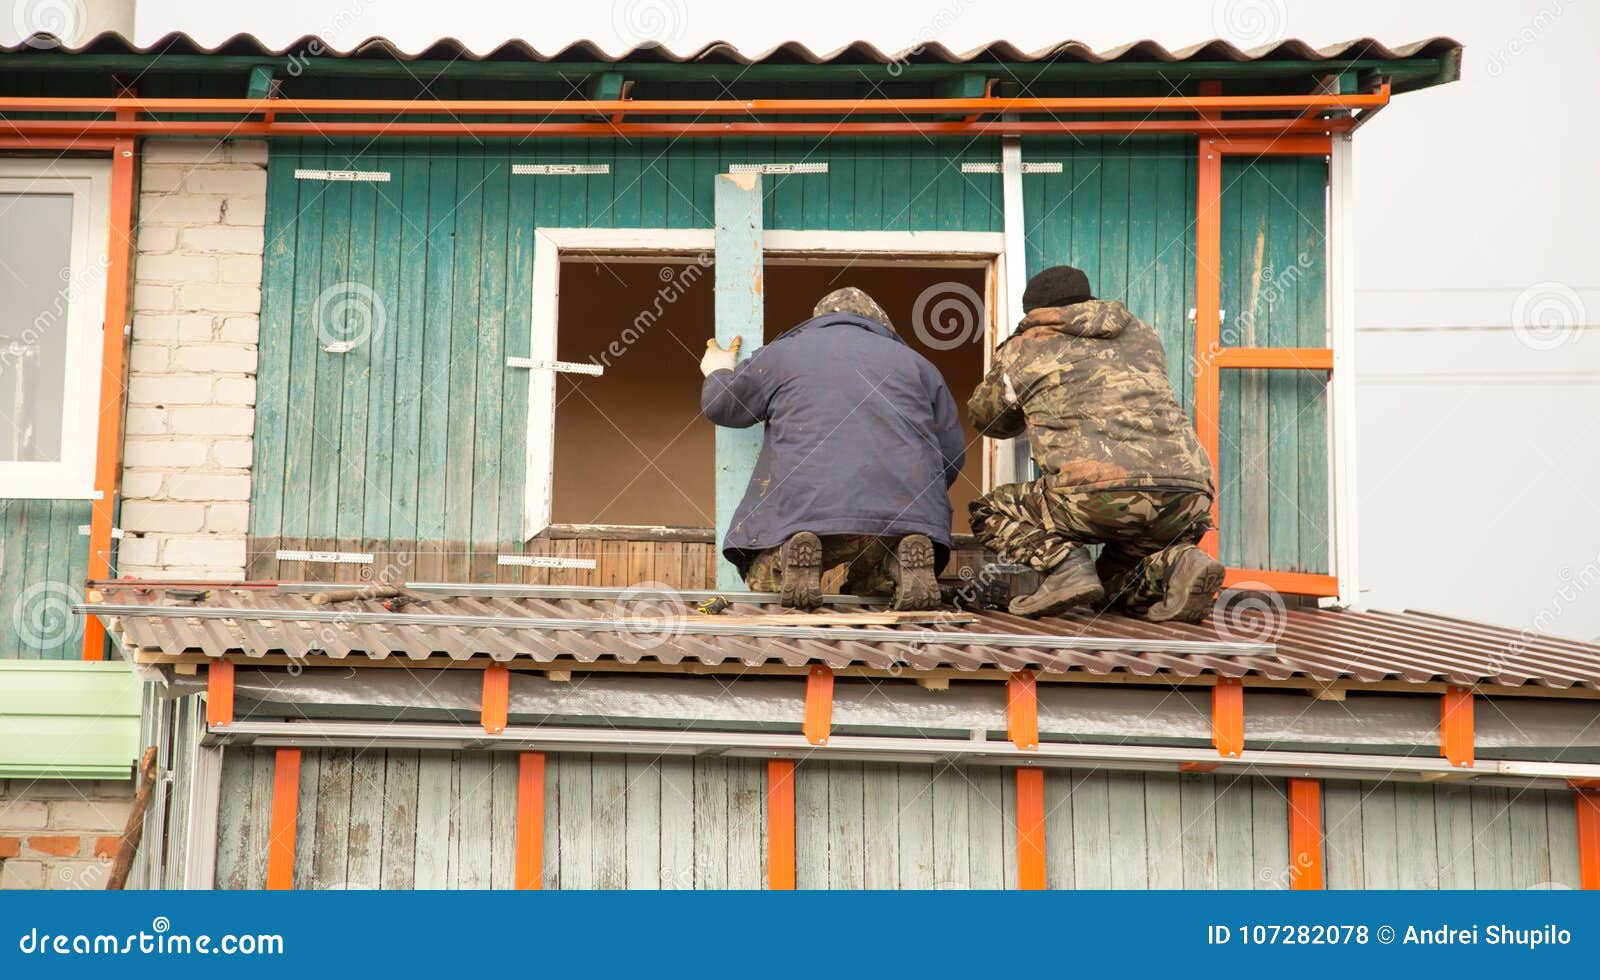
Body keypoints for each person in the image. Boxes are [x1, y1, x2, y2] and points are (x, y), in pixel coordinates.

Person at [967, 265, 1222, 621]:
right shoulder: (1142, 335)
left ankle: (1066, 567)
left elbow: (986, 419)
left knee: (989, 511)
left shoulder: (1024, 348)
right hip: (1187, 498)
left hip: (1095, 495)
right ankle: (1178, 564)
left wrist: (1025, 398)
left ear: (1034, 313)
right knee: (1111, 588)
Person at [700, 288, 965, 610]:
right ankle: (897, 560)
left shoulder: (783, 353)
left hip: (807, 511)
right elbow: (951, 452)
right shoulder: (919, 365)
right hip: (902, 516)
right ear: (878, 325)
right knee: (876, 587)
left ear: (820, 321)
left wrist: (718, 370)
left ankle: (788, 559)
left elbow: (723, 406)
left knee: (763, 582)